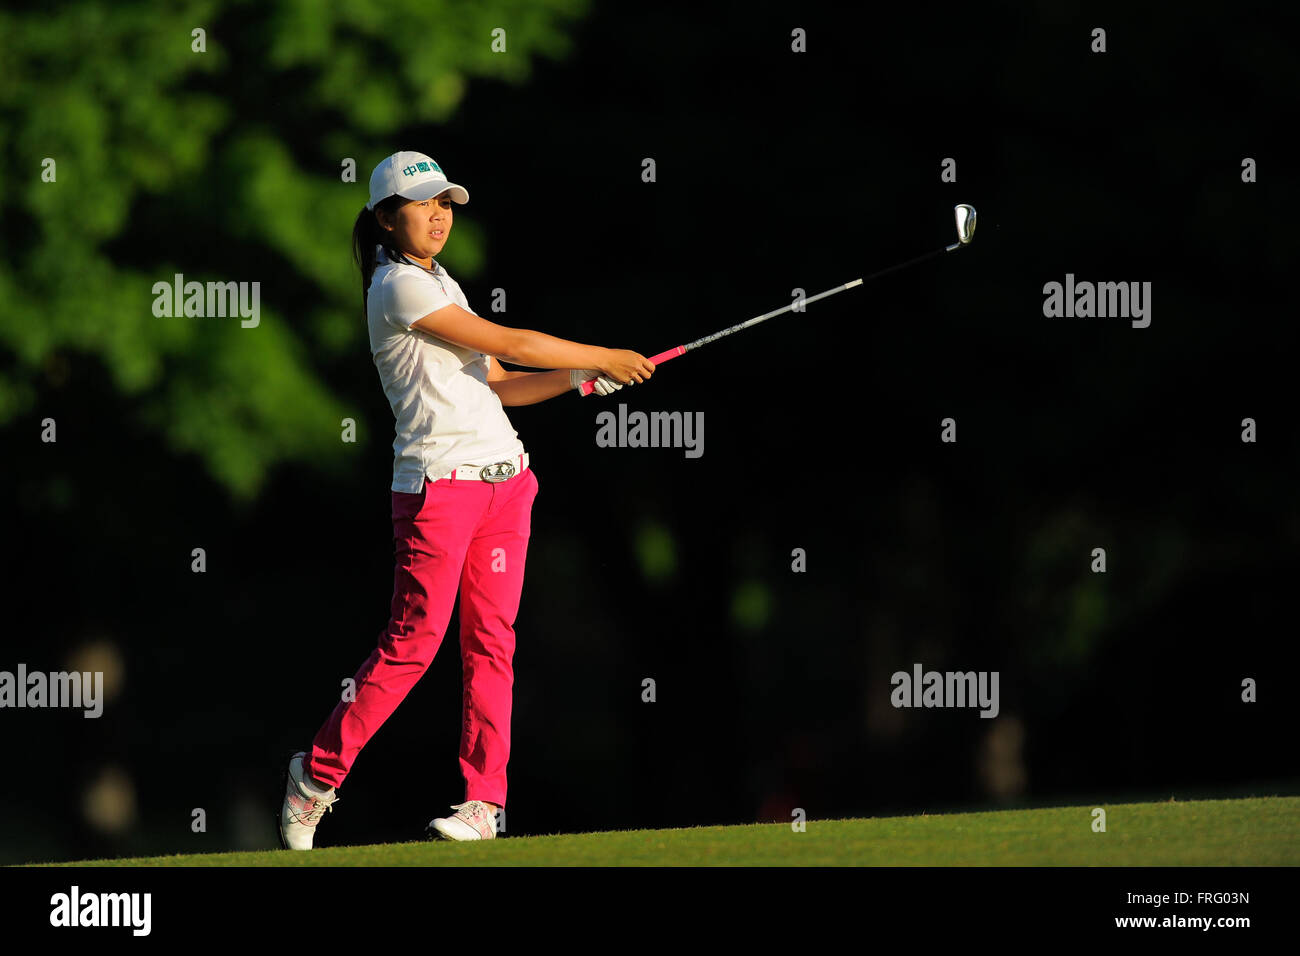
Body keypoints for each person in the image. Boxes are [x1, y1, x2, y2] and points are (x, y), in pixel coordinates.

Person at [279, 150, 654, 849]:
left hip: (505, 484)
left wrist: (577, 378)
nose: (439, 215)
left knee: (492, 645)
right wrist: (601, 354)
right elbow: (510, 338)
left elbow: (503, 380)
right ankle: (316, 776)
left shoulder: (440, 280)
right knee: (412, 645)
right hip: (437, 491)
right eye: (424, 205)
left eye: (446, 203)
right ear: (388, 219)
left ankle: (484, 802)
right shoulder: (397, 288)